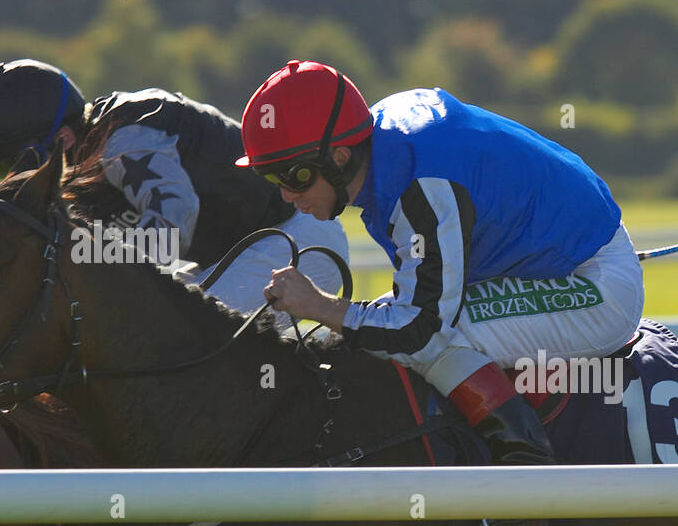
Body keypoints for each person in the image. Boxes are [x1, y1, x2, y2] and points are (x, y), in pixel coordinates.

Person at [239, 60, 643, 466]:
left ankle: (525, 469)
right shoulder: (384, 142)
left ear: (339, 157)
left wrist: (319, 306)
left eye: (293, 177)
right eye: (271, 180)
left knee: (423, 341)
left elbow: (420, 331)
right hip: (550, 260)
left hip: (595, 286)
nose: (287, 196)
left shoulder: (421, 186)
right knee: (379, 327)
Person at [0, 58, 348, 313]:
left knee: (174, 348)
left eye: (16, 161)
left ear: (63, 140)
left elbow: (176, 220)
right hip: (233, 257)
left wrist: (104, 270)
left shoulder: (123, 141)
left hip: (293, 245)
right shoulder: (84, 159)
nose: (15, 176)